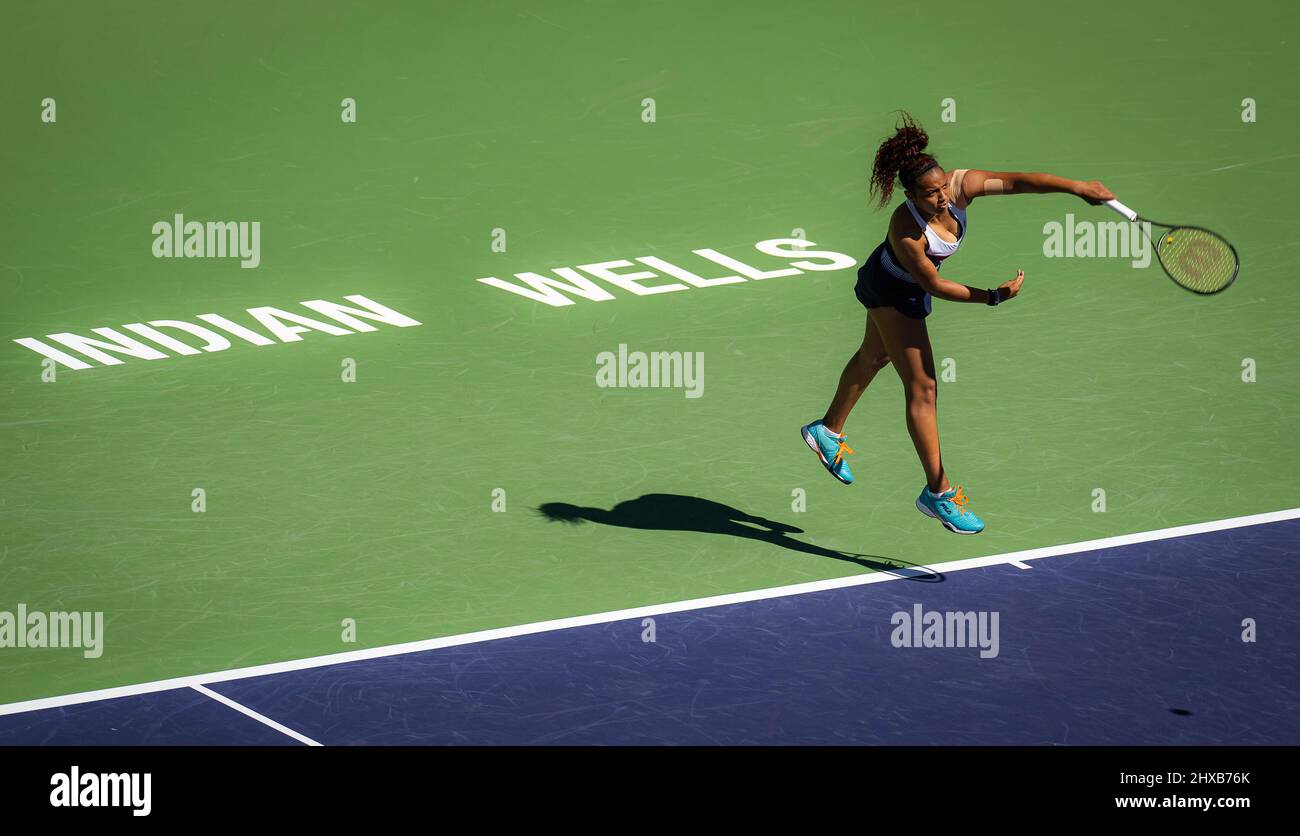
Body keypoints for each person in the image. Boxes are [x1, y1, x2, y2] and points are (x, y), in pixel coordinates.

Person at [801, 112, 1114, 534]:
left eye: (942, 188)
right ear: (910, 195)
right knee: (924, 388)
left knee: (874, 358)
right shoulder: (906, 228)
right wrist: (994, 296)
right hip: (892, 291)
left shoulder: (960, 186)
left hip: (899, 287)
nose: (942, 200)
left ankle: (826, 430)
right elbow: (934, 285)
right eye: (930, 195)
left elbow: (1019, 181)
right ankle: (938, 493)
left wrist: (1075, 188)